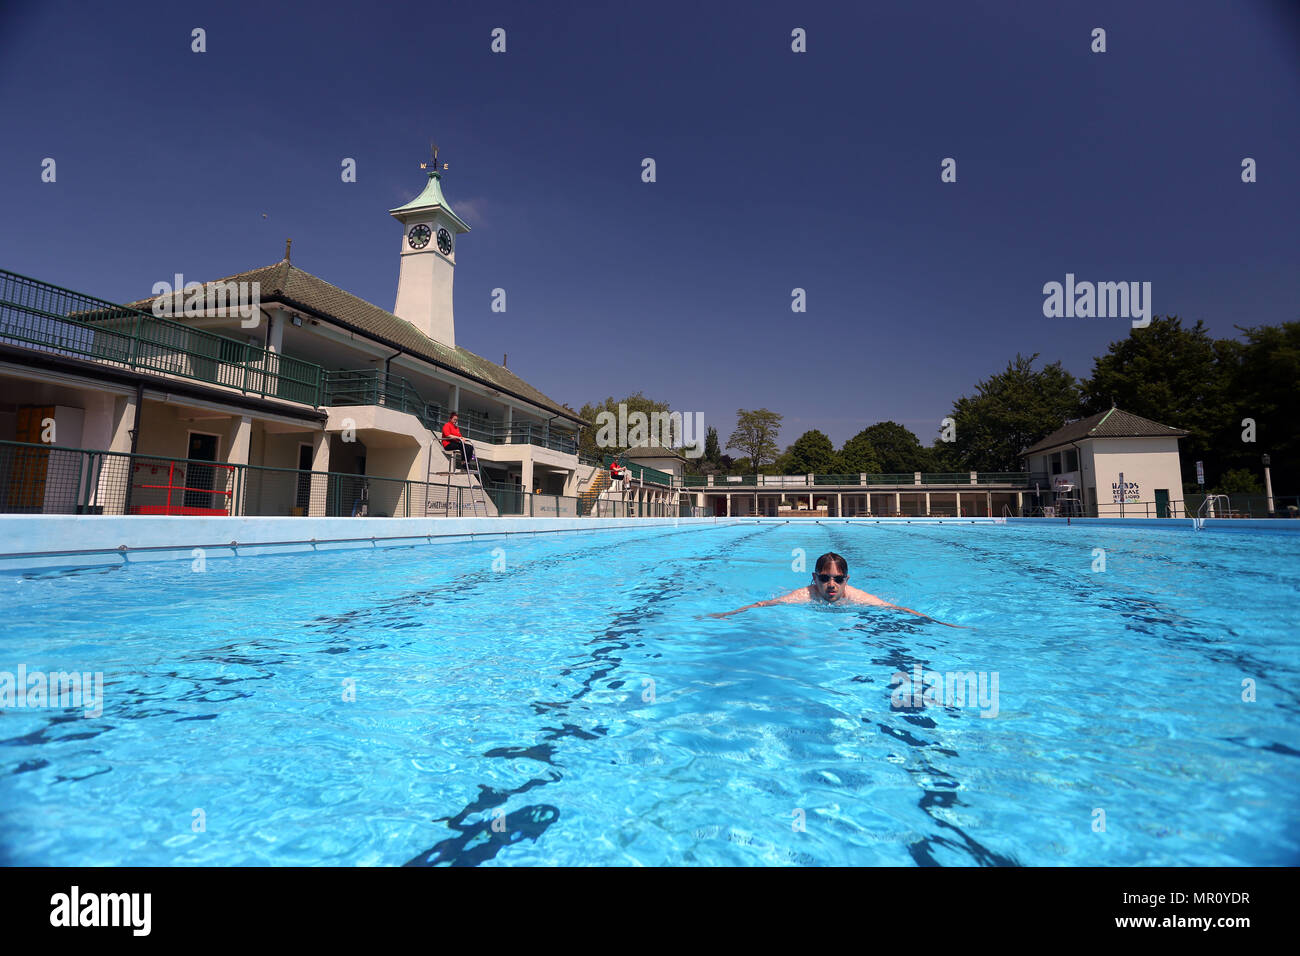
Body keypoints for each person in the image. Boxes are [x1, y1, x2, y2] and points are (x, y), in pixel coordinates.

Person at [709, 552, 965, 626]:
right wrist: (728, 614)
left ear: (846, 580)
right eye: (824, 578)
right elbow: (763, 605)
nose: (831, 585)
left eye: (838, 579)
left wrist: (936, 621)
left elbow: (895, 608)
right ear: (814, 578)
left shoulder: (857, 597)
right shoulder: (804, 595)